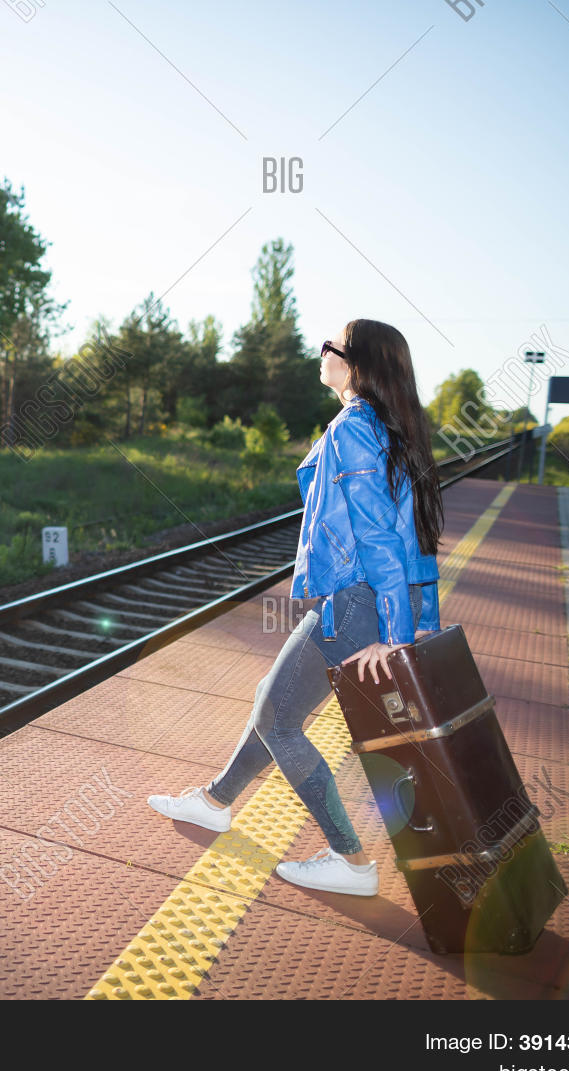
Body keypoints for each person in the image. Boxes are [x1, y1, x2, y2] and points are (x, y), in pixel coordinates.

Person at [148, 319, 445, 896]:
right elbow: (418, 542)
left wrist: (396, 631)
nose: (321, 351)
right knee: (272, 699)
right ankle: (214, 801)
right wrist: (418, 618)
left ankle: (351, 859)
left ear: (356, 366)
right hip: (373, 597)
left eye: (331, 345)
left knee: (277, 719)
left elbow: (383, 540)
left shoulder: (356, 429)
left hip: (359, 601)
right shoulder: (396, 430)